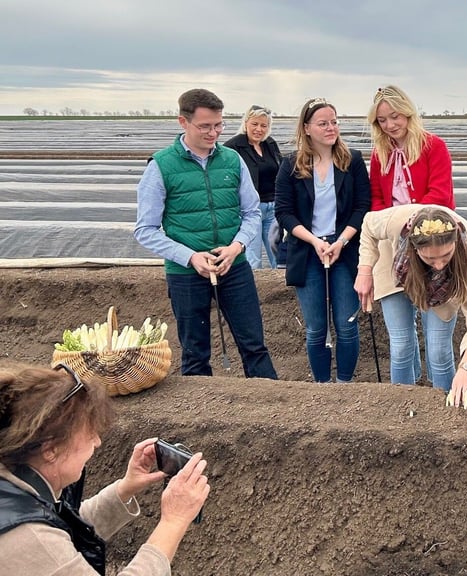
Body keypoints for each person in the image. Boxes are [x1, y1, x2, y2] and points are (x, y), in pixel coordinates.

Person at [0, 363, 208, 575]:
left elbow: (64, 525)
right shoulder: (32, 540)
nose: (97, 441)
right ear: (50, 449)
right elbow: (46, 541)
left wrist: (125, 489)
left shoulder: (11, 480)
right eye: (89, 432)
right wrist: (173, 523)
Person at [134, 88, 278, 379]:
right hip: (186, 274)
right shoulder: (161, 166)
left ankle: (273, 410)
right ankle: (200, 418)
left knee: (254, 345)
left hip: (234, 267)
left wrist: (236, 247)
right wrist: (190, 257)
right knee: (195, 352)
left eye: (218, 125)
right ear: (183, 122)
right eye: (205, 126)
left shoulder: (232, 160)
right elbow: (145, 230)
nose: (213, 133)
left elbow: (251, 213)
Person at [276, 97, 371, 383]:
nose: (331, 128)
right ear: (306, 128)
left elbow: (361, 206)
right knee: (316, 327)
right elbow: (284, 212)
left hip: (345, 249)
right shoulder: (290, 165)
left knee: (346, 323)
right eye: (323, 123)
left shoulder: (351, 160)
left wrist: (341, 241)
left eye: (334, 121)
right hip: (308, 252)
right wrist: (314, 241)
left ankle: (343, 383)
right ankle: (321, 385)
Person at [354, 204, 467, 402]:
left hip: (446, 284)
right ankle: (402, 403)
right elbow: (368, 224)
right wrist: (364, 271)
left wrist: (466, 366)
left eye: (445, 255)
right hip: (396, 269)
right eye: (430, 258)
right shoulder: (396, 221)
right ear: (414, 247)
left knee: (439, 350)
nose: (439, 264)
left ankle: (445, 404)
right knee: (401, 346)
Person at [368, 85, 455, 211]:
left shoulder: (434, 146)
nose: (390, 125)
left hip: (430, 220)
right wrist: (385, 221)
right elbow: (376, 197)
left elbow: (440, 194)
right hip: (391, 223)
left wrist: (412, 220)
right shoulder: (379, 153)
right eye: (382, 120)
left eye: (395, 117)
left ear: (407, 112)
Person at [224, 104, 283, 270]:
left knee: (278, 255)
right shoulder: (232, 148)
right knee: (252, 256)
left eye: (264, 125)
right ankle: (252, 292)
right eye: (255, 124)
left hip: (273, 208)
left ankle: (283, 293)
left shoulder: (270, 144)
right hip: (249, 210)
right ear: (246, 124)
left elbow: (282, 171)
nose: (259, 129)